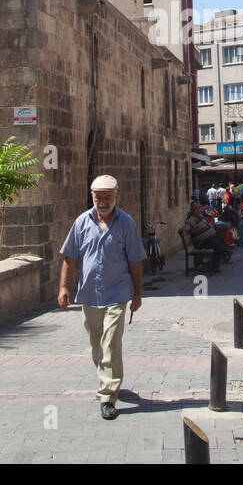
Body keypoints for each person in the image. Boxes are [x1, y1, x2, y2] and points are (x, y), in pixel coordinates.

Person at [58, 175, 145, 421]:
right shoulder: (81, 222)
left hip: (117, 293)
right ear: (91, 195)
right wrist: (64, 287)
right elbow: (70, 258)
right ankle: (109, 377)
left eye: (107, 197)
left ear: (116, 196)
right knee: (97, 345)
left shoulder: (126, 223)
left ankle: (108, 396)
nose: (103, 201)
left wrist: (138, 293)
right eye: (98, 197)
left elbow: (135, 261)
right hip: (89, 293)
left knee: (110, 343)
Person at [178, 201, 228, 271]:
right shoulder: (191, 220)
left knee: (222, 242)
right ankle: (212, 266)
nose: (198, 210)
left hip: (210, 238)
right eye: (196, 209)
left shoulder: (200, 217)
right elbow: (187, 226)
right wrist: (182, 229)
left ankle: (211, 264)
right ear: (192, 210)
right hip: (203, 242)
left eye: (199, 208)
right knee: (218, 246)